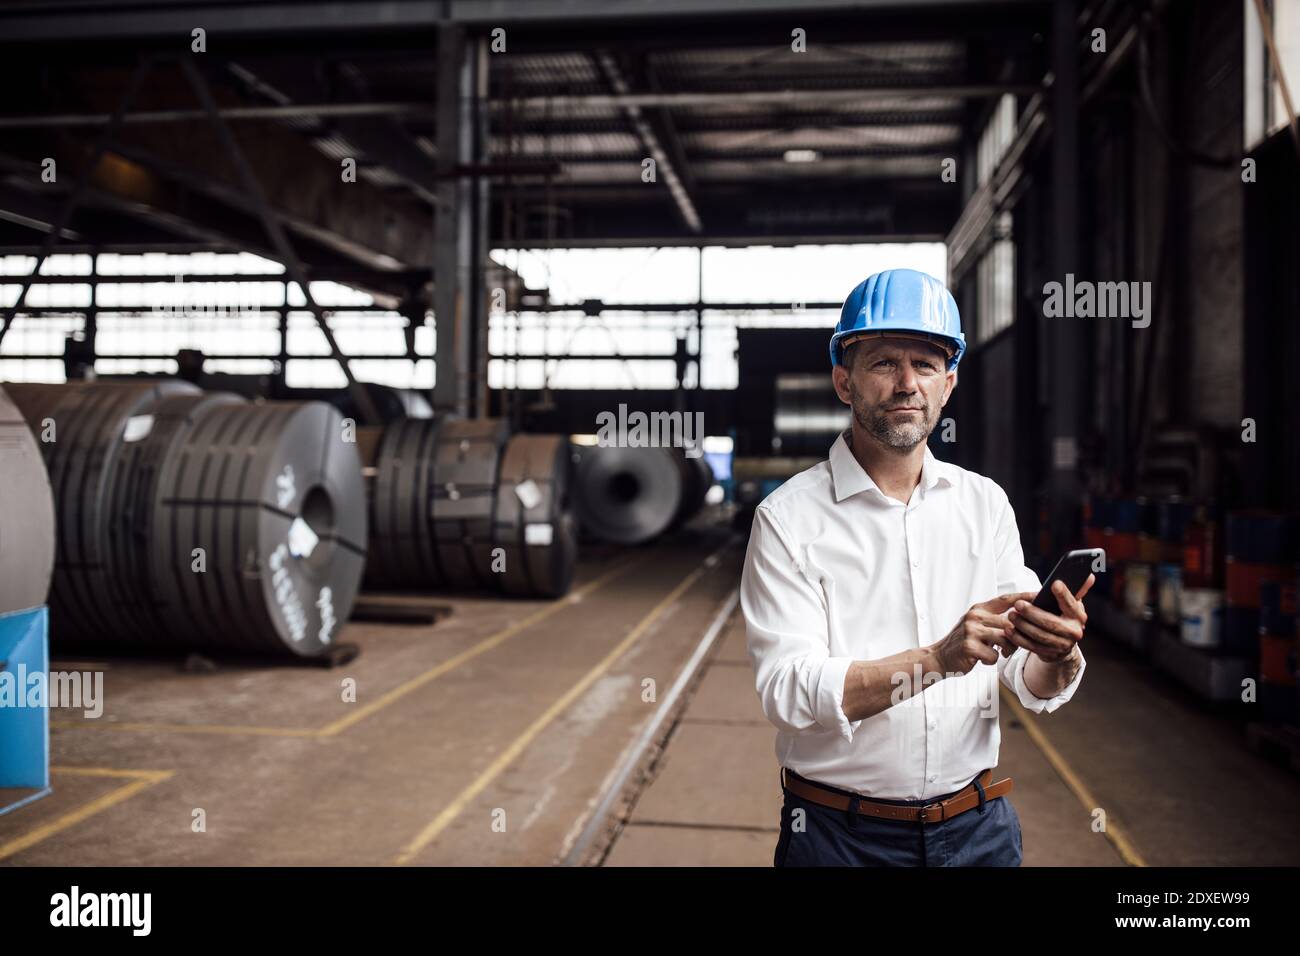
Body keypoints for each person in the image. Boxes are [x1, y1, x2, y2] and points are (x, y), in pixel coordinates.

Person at [741, 268, 1091, 867]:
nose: (907, 384)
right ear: (843, 381)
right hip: (839, 839)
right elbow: (787, 692)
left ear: (948, 384)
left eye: (925, 365)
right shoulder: (787, 519)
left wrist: (1056, 656)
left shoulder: (985, 504)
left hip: (978, 831)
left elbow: (1028, 680)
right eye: (883, 363)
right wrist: (935, 661)